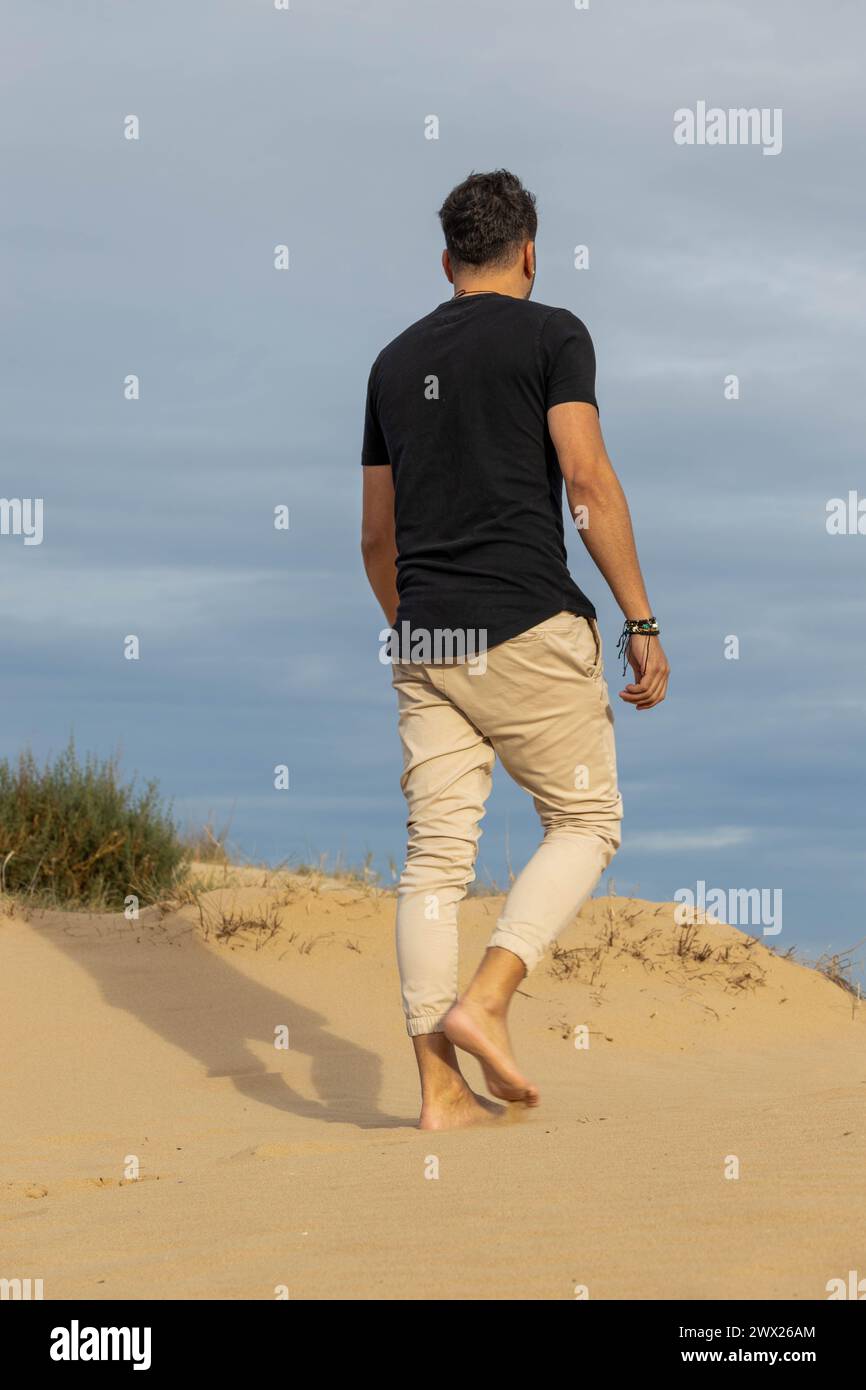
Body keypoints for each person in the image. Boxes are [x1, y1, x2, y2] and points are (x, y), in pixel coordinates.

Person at [360, 170, 669, 1130]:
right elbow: (585, 478)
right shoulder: (553, 333)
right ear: (529, 251)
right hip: (527, 622)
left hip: (424, 631)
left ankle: (439, 1092)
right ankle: (487, 999)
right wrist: (641, 617)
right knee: (586, 820)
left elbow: (378, 536)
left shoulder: (391, 360)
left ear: (447, 260)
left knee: (434, 864)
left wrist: (413, 626)